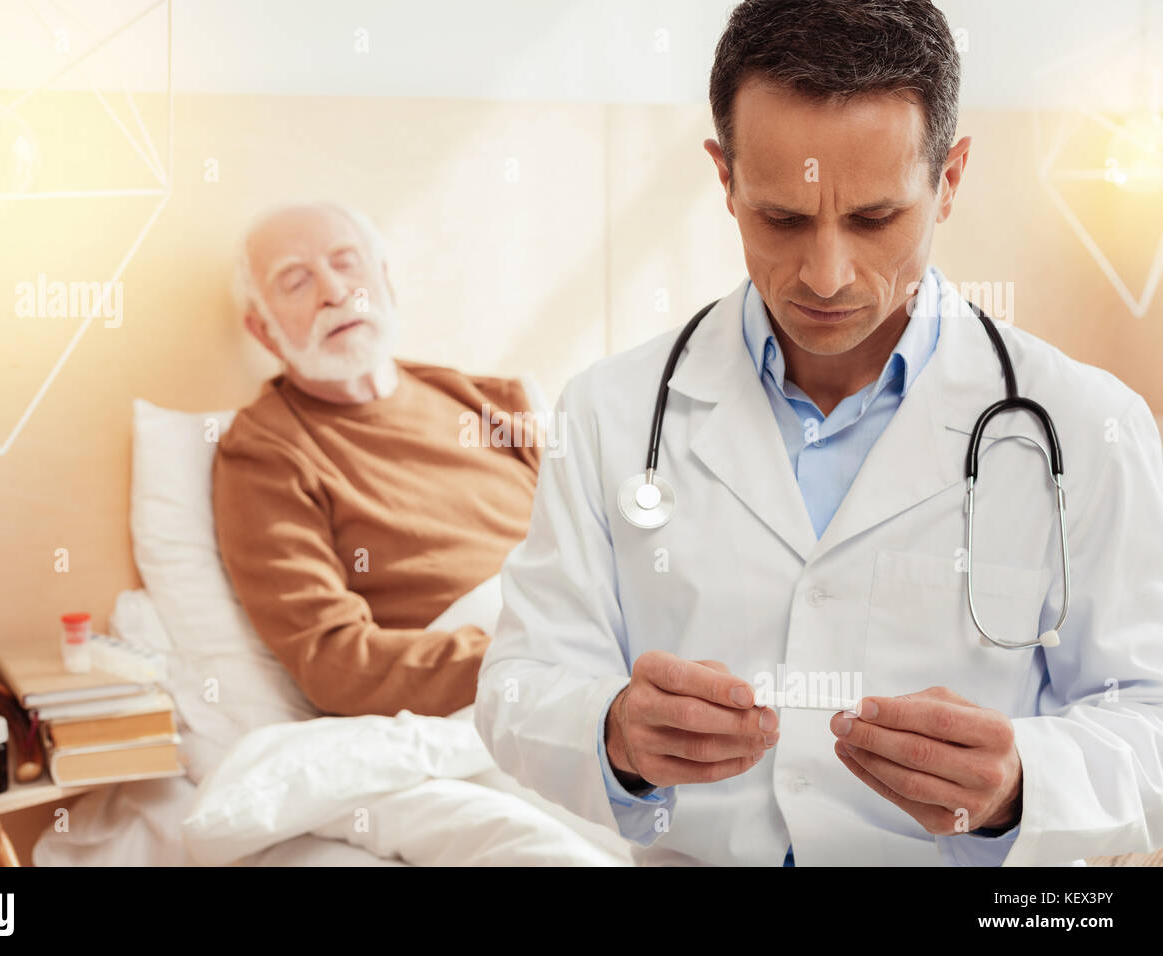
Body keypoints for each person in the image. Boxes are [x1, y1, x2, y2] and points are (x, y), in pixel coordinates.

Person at [476, 0, 1163, 866]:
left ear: (949, 180)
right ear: (723, 178)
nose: (826, 276)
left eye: (875, 219)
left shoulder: (1088, 425)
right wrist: (611, 732)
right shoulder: (610, 411)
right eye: (783, 218)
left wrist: (1023, 780)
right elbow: (515, 689)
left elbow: (1151, 716)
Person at [213, 201, 542, 717]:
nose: (335, 292)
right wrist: (528, 662)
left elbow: (609, 549)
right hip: (495, 694)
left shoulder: (489, 400)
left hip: (600, 649)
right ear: (263, 331)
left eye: (346, 263)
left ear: (384, 281)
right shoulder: (266, 452)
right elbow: (334, 660)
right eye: (296, 282)